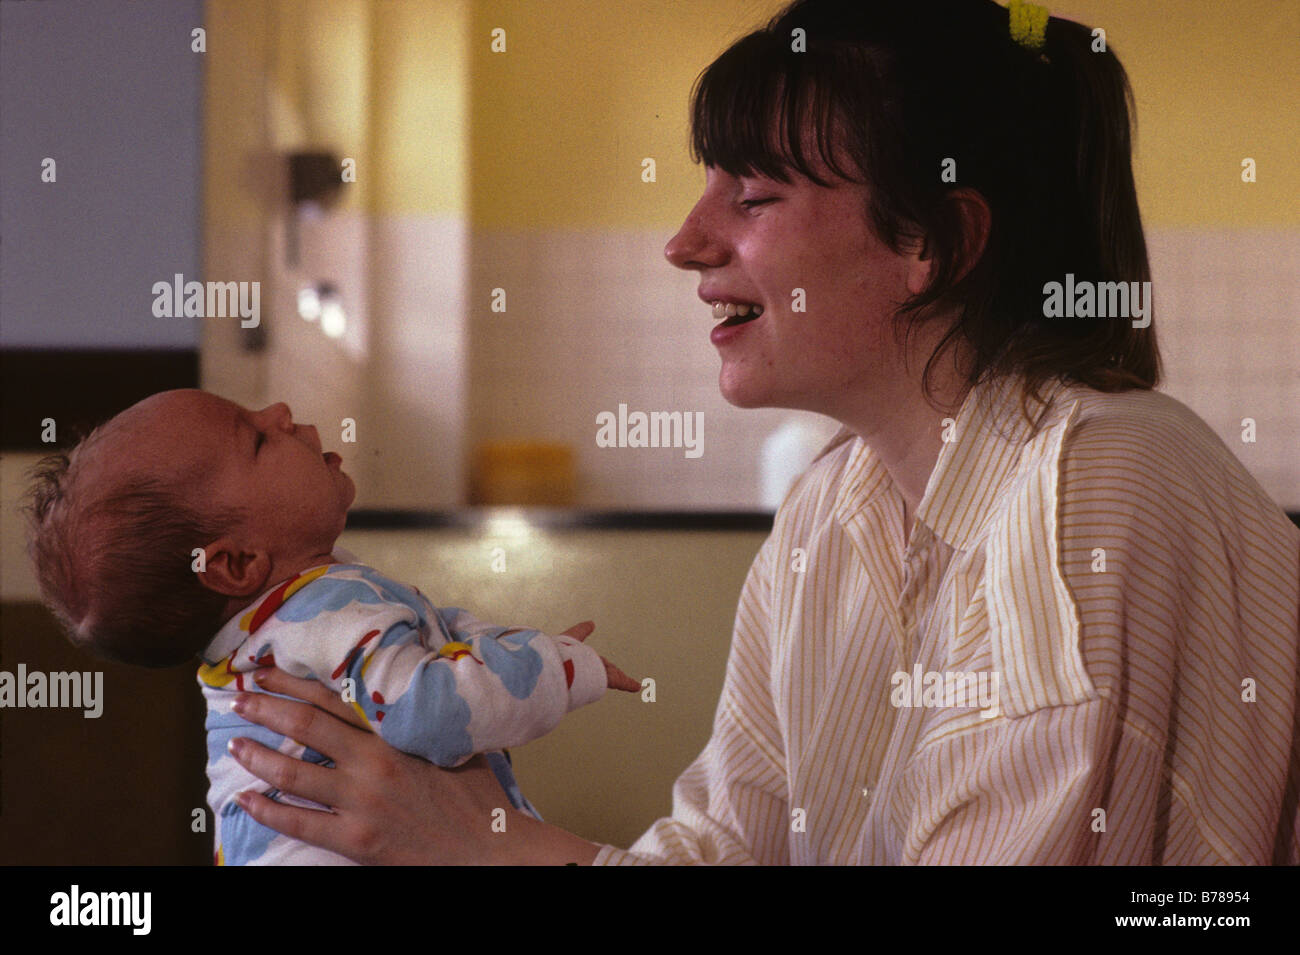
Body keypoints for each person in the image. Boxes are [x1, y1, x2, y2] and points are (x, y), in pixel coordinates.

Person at [225, 0, 1300, 864]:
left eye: (752, 193)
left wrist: (482, 849)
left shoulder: (1096, 482)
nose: (683, 241)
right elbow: (725, 845)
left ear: (930, 238)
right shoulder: (831, 512)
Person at [23, 388, 638, 864]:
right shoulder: (321, 613)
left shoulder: (291, 624)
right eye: (258, 440)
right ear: (236, 563)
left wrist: (496, 644)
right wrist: (560, 668)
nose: (281, 411)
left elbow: (431, 635)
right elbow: (435, 711)